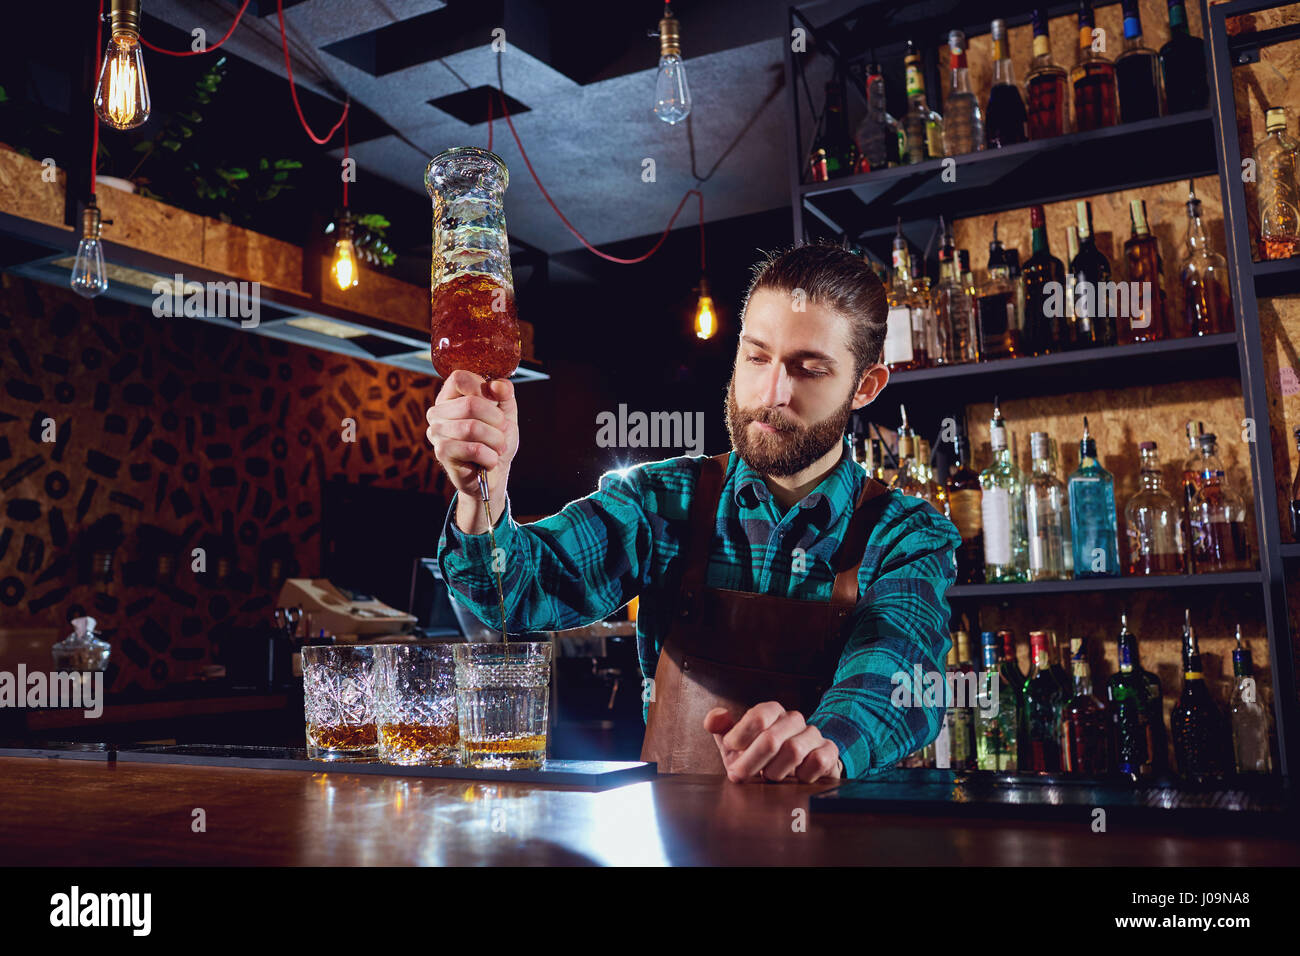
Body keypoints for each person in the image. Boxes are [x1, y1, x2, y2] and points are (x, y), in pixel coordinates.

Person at [426, 242, 960, 782]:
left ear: (864, 386)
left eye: (809, 369)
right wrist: (480, 494)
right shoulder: (662, 501)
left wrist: (827, 743)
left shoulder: (906, 536)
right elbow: (514, 594)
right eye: (756, 357)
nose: (771, 392)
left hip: (832, 847)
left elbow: (899, 671)